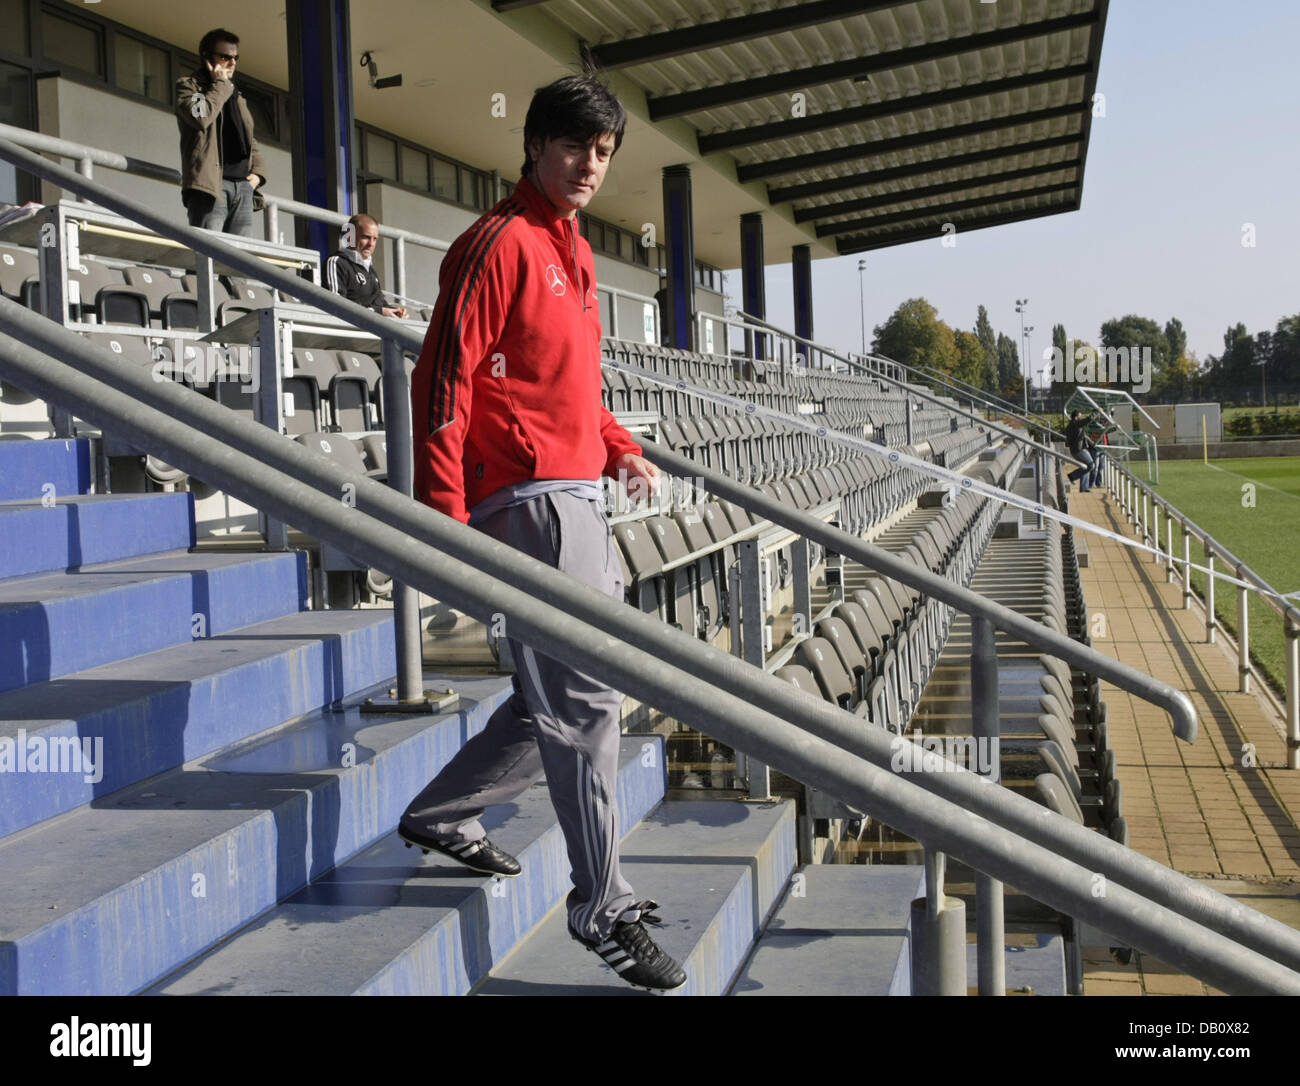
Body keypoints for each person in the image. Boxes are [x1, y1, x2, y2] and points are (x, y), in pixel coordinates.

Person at [401, 75, 686, 992]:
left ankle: (447, 812)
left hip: (577, 494)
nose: (588, 166)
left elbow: (574, 388)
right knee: (591, 697)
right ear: (533, 146)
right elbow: (442, 380)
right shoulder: (498, 243)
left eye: (602, 154)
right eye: (573, 147)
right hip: (525, 504)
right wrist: (445, 522)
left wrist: (618, 447)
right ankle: (601, 904)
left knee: (553, 698)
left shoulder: (574, 251)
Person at [174, 28, 266, 237]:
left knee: (238, 262)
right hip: (210, 187)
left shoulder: (236, 95)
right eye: (225, 57)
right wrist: (221, 84)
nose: (232, 63)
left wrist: (258, 175)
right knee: (209, 256)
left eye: (236, 57)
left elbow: (249, 137)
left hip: (242, 188)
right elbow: (200, 117)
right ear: (207, 57)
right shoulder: (190, 87)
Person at [325, 213, 408, 318]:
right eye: (366, 237)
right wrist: (379, 311)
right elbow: (336, 305)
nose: (371, 244)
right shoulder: (336, 262)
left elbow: (379, 303)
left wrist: (395, 311)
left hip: (369, 330)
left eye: (375, 239)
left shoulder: (371, 270)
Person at [1064, 410, 1094, 492]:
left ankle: (1084, 487)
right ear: (1076, 417)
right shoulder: (1074, 424)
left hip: (1079, 449)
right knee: (1091, 465)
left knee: (1085, 466)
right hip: (1078, 450)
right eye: (1080, 417)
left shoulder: (1074, 425)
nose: (1081, 419)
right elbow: (1086, 421)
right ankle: (1072, 476)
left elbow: (1082, 435)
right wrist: (1095, 413)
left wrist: (1091, 442)